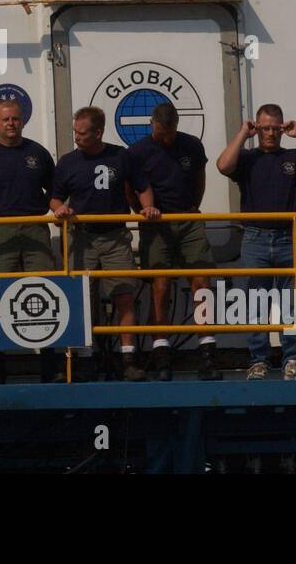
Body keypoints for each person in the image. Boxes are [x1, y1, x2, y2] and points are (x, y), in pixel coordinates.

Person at [216, 104, 296, 381]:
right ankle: (258, 360)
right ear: (257, 128)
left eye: (275, 128)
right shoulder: (246, 158)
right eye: (265, 128)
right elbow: (222, 165)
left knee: (290, 303)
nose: (270, 133)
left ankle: (292, 359)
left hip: (288, 237)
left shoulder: (293, 155)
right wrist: (243, 134)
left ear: (282, 128)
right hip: (255, 237)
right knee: (256, 302)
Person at [50, 107, 150, 382]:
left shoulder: (121, 156)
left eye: (82, 133)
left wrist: (148, 208)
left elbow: (142, 186)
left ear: (98, 132)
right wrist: (60, 210)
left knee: (124, 295)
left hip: (116, 237)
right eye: (75, 132)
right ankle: (84, 359)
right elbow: (56, 198)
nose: (77, 138)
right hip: (81, 238)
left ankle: (128, 357)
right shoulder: (68, 162)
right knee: (80, 300)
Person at [0, 99, 59, 384]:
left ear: (23, 121)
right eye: (5, 119)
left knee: (45, 293)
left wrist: (39, 209)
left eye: (15, 119)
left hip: (35, 230)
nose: (11, 124)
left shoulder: (38, 154)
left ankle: (50, 367)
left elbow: (55, 190)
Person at [125, 102, 220, 381]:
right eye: (160, 131)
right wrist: (141, 211)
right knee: (160, 286)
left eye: (169, 132)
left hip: (189, 220)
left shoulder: (191, 146)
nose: (164, 137)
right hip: (156, 223)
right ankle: (161, 354)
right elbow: (130, 189)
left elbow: (200, 180)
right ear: (152, 124)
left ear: (176, 126)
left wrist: (192, 207)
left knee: (202, 282)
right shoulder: (138, 151)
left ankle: (207, 353)